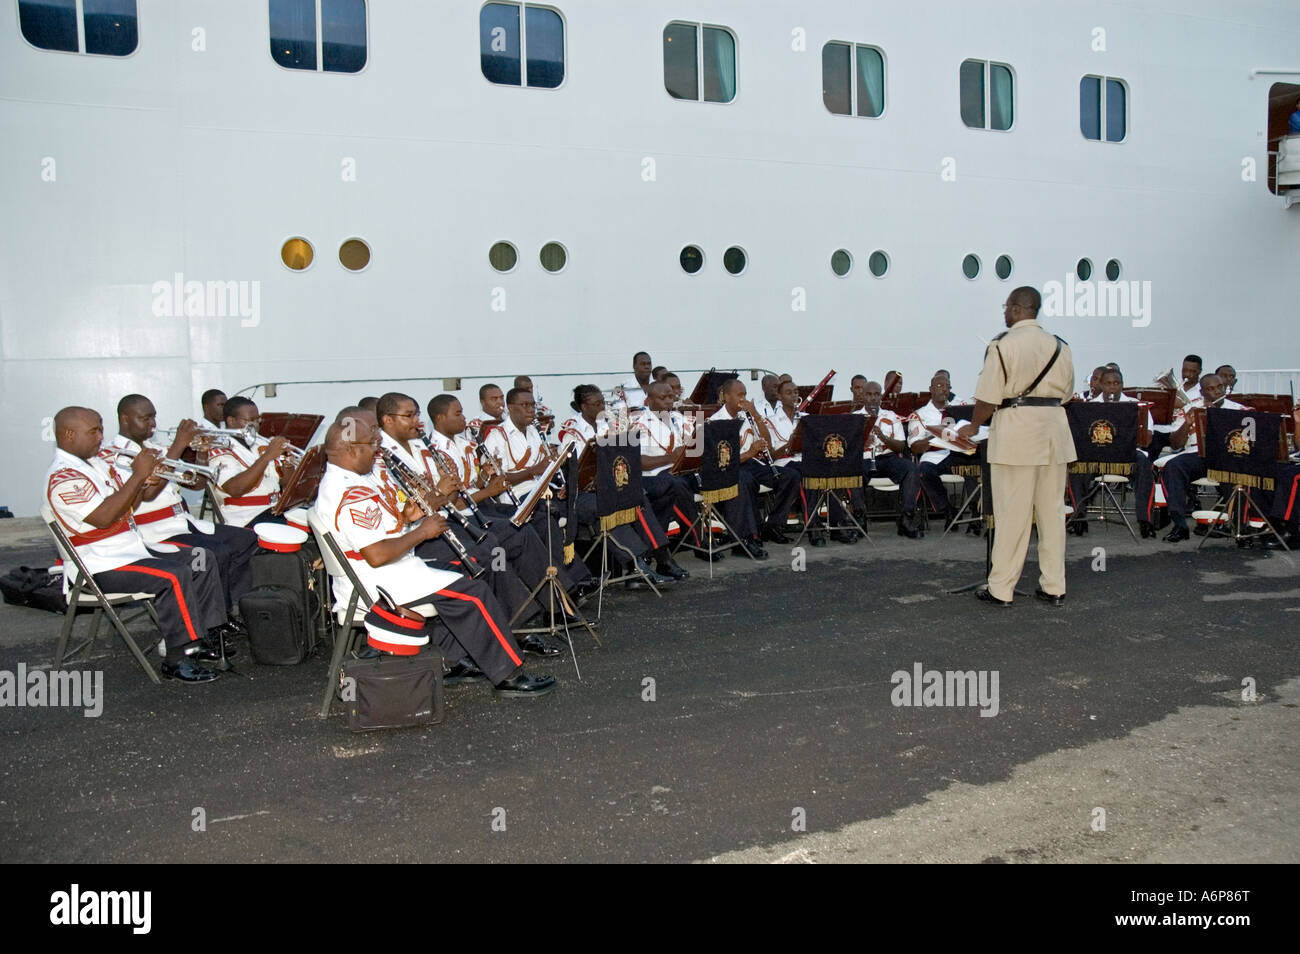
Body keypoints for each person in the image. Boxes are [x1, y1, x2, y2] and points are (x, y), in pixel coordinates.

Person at [313, 414, 555, 697]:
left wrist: (407, 518)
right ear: (352, 449)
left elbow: (379, 532)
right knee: (473, 594)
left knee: (474, 566)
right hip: (381, 582)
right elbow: (377, 554)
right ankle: (509, 676)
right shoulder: (350, 492)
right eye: (371, 445)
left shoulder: (347, 481)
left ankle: (452, 659)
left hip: (392, 570)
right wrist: (421, 532)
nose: (377, 451)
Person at [46, 407, 230, 682]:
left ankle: (201, 637)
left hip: (128, 549)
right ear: (69, 435)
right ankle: (176, 658)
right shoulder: (63, 477)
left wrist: (143, 483)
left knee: (201, 558)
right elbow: (105, 517)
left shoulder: (95, 464)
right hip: (100, 564)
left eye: (100, 429)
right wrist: (137, 477)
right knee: (173, 576)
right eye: (93, 431)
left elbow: (128, 505)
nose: (100, 436)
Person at [958, 286, 1076, 606]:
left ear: (1016, 309)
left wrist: (973, 424)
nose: (1004, 312)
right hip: (1054, 432)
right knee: (1052, 514)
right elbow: (1066, 395)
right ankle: (1054, 586)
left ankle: (1001, 589)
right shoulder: (1061, 347)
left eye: (1006, 307)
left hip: (1017, 434)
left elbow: (989, 397)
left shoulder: (1002, 346)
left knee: (1013, 515)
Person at [104, 394, 259, 620]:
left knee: (245, 540)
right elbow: (148, 495)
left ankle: (228, 609)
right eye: (145, 418)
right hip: (153, 530)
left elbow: (197, 484)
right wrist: (178, 445)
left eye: (154, 417)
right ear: (124, 418)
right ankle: (211, 623)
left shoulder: (155, 448)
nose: (153, 424)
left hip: (181, 522)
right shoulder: (114, 455)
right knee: (213, 554)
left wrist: (203, 451)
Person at [557, 385, 681, 584]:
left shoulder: (607, 425)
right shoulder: (572, 431)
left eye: (603, 402)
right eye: (596, 404)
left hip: (607, 486)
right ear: (583, 406)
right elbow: (575, 470)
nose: (602, 407)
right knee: (608, 505)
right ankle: (636, 564)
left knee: (636, 494)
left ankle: (660, 555)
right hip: (581, 494)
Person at [708, 378, 799, 557]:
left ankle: (771, 526)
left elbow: (768, 441)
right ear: (726, 397)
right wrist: (750, 453)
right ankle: (744, 538)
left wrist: (756, 415)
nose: (744, 399)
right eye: (739, 395)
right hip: (731, 467)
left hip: (752, 463)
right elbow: (722, 460)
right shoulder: (716, 421)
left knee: (790, 476)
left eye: (745, 395)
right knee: (745, 480)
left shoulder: (746, 415)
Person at [1158, 373, 1249, 542]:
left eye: (1220, 387)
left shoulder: (1240, 411)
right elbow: (1175, 445)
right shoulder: (1190, 408)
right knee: (1174, 467)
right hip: (1196, 454)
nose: (1217, 391)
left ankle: (1239, 527)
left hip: (1227, 456)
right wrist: (1187, 423)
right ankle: (1180, 525)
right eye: (1211, 389)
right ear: (1202, 392)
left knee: (1236, 473)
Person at [855, 379, 925, 538]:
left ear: (881, 397)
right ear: (863, 397)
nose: (873, 398)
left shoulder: (891, 416)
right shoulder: (854, 418)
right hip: (864, 459)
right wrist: (862, 442)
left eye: (876, 394)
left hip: (887, 458)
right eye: (869, 394)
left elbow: (900, 447)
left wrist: (884, 438)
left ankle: (906, 519)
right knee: (853, 471)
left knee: (911, 469)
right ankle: (859, 518)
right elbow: (847, 448)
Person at [907, 372, 962, 529]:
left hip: (959, 454)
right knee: (923, 470)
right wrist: (936, 437)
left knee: (976, 464)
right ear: (931, 390)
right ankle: (948, 510)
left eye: (947, 387)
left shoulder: (960, 407)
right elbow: (914, 446)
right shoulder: (920, 415)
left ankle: (975, 512)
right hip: (935, 455)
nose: (944, 390)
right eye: (939, 386)